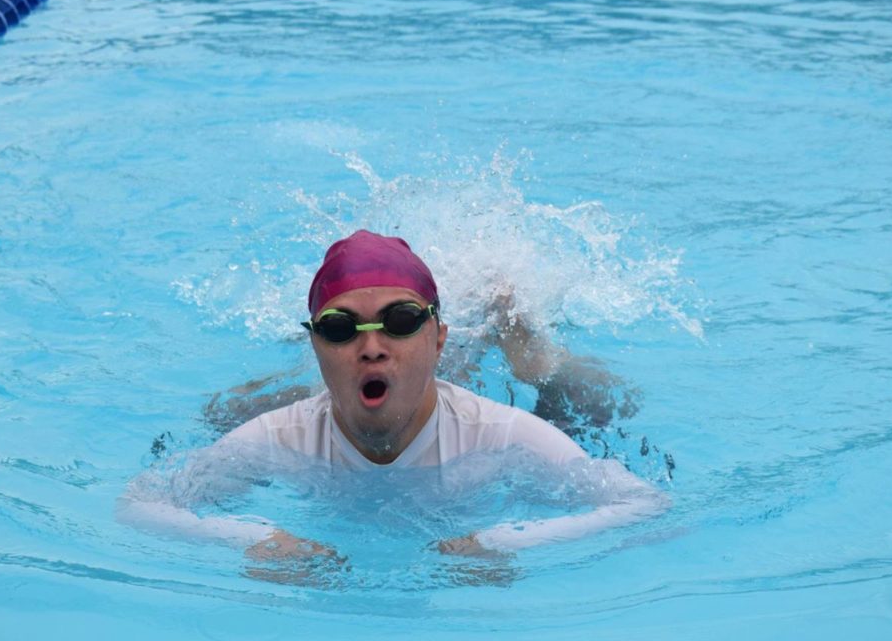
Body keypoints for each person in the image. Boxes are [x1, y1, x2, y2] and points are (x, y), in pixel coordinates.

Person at [122, 230, 667, 581]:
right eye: (339, 329)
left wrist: (506, 542)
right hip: (352, 391)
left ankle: (514, 332)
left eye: (402, 321)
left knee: (558, 388)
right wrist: (256, 541)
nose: (372, 343)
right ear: (314, 345)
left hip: (467, 388)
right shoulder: (277, 438)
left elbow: (642, 504)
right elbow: (141, 505)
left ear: (438, 336)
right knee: (227, 410)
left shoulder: (503, 436)